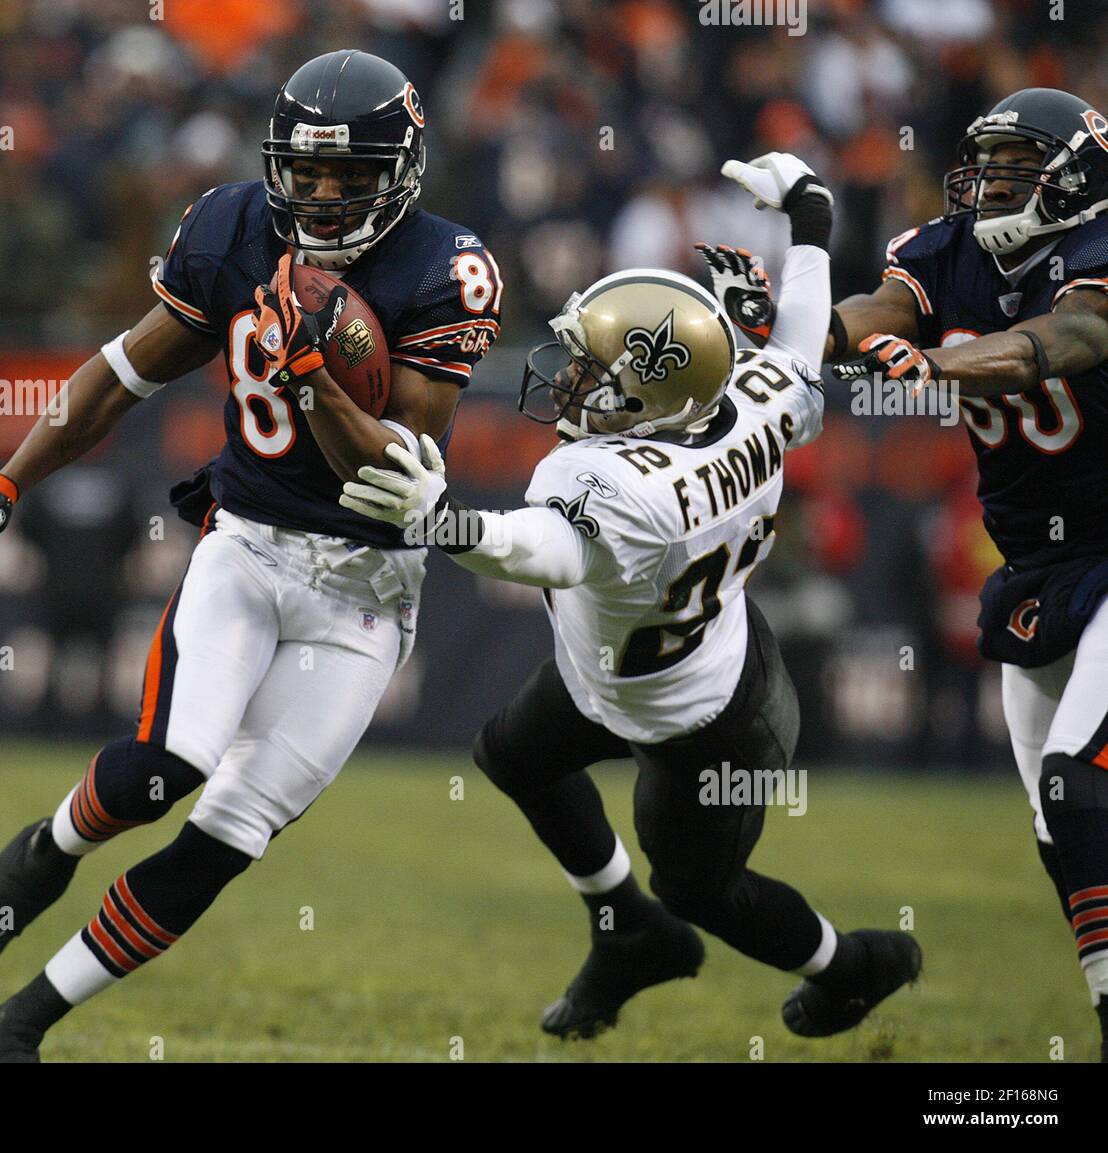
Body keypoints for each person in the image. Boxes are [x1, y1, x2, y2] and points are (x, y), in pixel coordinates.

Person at [0, 49, 501, 1061]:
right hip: (250, 547)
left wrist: (312, 368)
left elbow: (399, 471)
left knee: (227, 834)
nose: (318, 195)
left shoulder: (444, 269)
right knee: (165, 766)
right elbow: (116, 374)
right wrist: (9, 478)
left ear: (399, 172)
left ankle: (18, 1026)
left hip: (365, 589)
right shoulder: (230, 226)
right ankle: (45, 853)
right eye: (303, 172)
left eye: (345, 174)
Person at [340, 153, 920, 1042]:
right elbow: (801, 336)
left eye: (590, 368)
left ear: (645, 396)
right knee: (514, 755)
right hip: (635, 663)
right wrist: (811, 217)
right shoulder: (758, 398)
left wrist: (444, 522)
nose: (568, 377)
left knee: (699, 886)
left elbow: (546, 550)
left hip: (703, 715)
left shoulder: (613, 481)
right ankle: (628, 935)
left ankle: (850, 964)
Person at [813, 87, 1108, 1062]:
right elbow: (872, 310)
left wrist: (940, 369)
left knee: (1074, 786)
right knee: (1056, 822)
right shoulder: (946, 250)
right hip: (1039, 560)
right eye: (985, 164)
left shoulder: (1096, 253)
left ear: (1073, 181)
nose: (989, 185)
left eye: (1017, 168)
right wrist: (805, 337)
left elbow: (1067, 341)